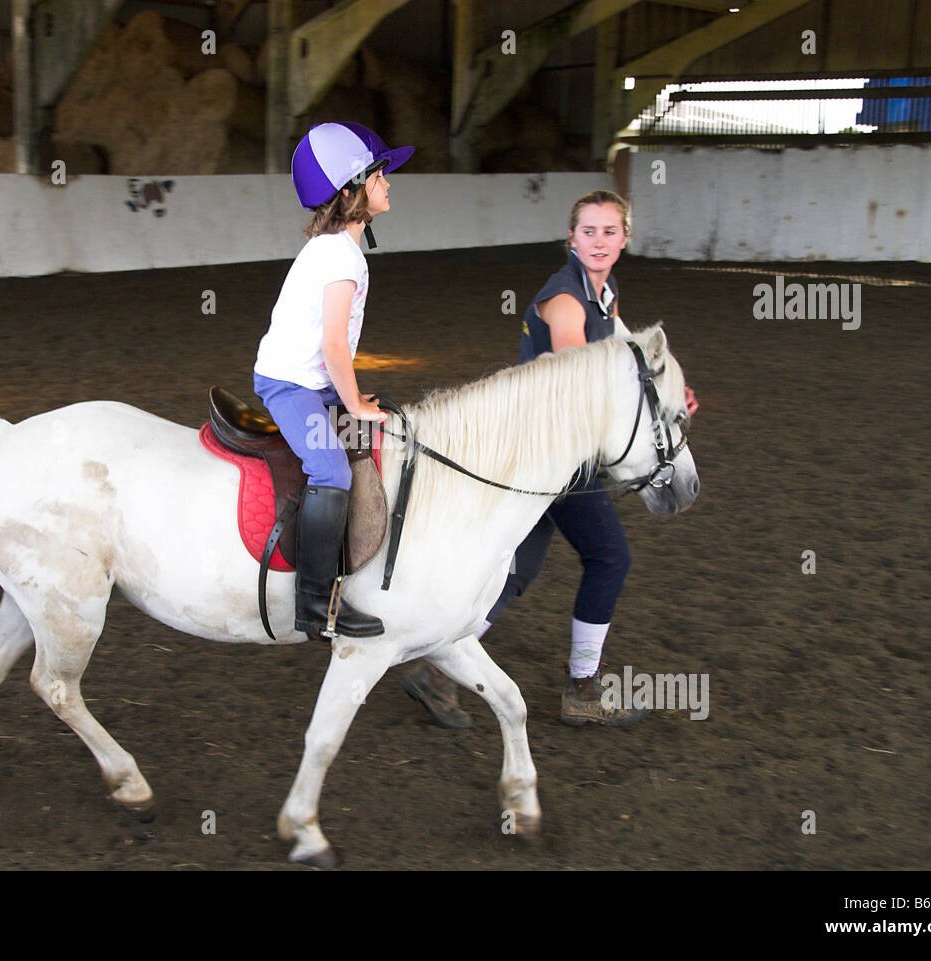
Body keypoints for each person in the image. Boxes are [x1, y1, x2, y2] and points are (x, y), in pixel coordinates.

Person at [401, 189, 699, 727]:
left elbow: (629, 350)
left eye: (610, 232)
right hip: (555, 461)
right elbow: (577, 378)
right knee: (610, 558)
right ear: (572, 238)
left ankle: (437, 672)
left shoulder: (602, 295)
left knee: (518, 567)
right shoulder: (565, 300)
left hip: (543, 458)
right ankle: (581, 689)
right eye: (589, 231)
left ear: (625, 239)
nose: (599, 241)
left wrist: (671, 394)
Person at [253, 122, 413, 640]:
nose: (388, 182)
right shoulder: (339, 257)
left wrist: (348, 397)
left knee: (367, 447)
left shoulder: (338, 249)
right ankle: (316, 603)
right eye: (379, 174)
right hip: (289, 385)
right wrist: (353, 404)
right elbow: (334, 347)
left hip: (314, 382)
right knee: (331, 470)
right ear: (351, 192)